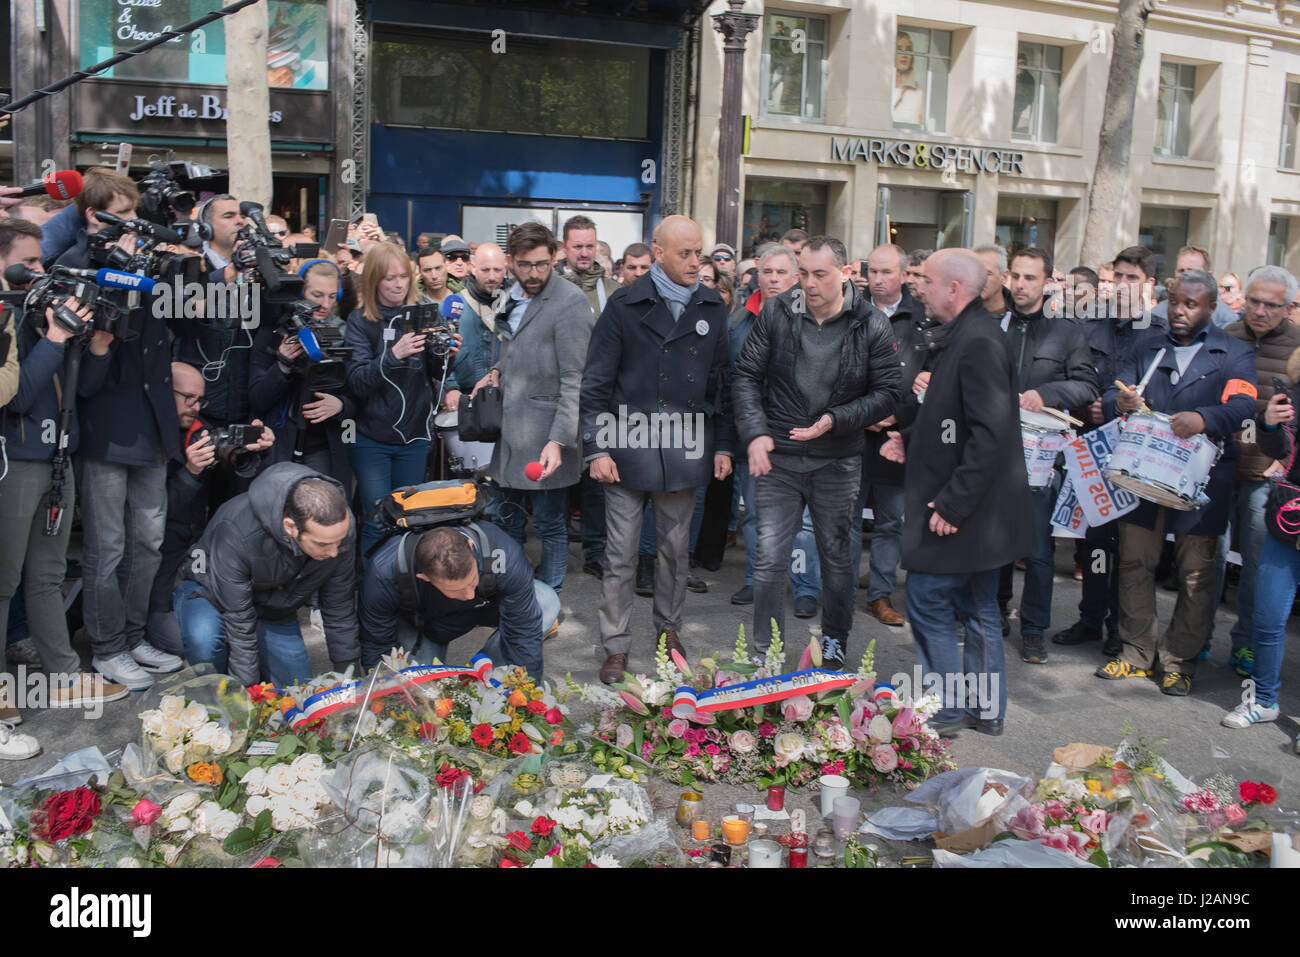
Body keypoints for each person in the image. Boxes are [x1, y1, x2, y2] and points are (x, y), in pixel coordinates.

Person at [881, 249, 1036, 736]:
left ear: (954, 288)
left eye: (925, 280)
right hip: (976, 508)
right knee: (977, 604)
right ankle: (986, 708)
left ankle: (946, 707)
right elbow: (956, 420)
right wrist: (911, 438)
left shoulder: (978, 341)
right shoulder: (966, 334)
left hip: (968, 509)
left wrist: (953, 503)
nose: (918, 287)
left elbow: (991, 433)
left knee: (927, 595)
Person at [734, 235, 901, 669]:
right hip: (780, 455)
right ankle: (765, 654)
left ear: (846, 274)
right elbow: (746, 375)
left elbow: (887, 394)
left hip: (838, 457)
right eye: (803, 272)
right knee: (770, 559)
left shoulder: (871, 323)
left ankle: (834, 643)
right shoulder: (777, 311)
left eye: (819, 274)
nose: (807, 284)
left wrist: (835, 419)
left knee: (837, 556)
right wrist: (755, 432)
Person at [582, 215, 734, 682]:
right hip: (627, 447)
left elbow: (722, 384)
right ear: (659, 251)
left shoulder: (711, 306)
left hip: (685, 447)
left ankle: (669, 632)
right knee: (621, 555)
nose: (695, 262)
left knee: (674, 553)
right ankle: (616, 645)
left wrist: (724, 445)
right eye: (685, 253)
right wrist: (595, 448)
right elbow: (595, 383)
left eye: (698, 253)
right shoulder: (624, 305)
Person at [1097, 269, 1257, 696]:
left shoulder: (1234, 353)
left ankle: (1178, 662)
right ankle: (1134, 653)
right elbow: (1113, 399)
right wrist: (1121, 402)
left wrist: (1205, 419)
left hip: (1202, 480)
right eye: (1174, 303)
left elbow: (1244, 407)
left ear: (1210, 308)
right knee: (1134, 563)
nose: (1180, 311)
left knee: (1195, 575)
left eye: (1191, 304)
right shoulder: (1147, 345)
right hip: (1143, 474)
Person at [0, 218, 129, 738]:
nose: (39, 272)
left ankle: (63, 675)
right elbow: (20, 397)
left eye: (41, 262)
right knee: (3, 581)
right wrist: (53, 336)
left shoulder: (40, 307)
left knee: (49, 574)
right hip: (17, 459)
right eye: (28, 264)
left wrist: (93, 345)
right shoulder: (8, 316)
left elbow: (83, 390)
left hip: (58, 456)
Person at [59, 171, 188, 691]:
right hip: (105, 428)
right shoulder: (74, 266)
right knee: (107, 546)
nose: (135, 225)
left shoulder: (146, 265)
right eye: (124, 215)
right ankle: (107, 648)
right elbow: (80, 372)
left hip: (154, 425)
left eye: (136, 215)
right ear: (95, 216)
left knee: (149, 543)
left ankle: (134, 638)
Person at [1053, 247, 1169, 656]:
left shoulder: (1160, 333)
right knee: (1094, 540)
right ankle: (1090, 617)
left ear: (1149, 285)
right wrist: (1090, 400)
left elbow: (1165, 395)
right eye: (1116, 276)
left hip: (1138, 454)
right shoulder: (1088, 326)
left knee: (1130, 547)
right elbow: (1072, 377)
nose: (1121, 285)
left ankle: (1121, 626)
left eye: (1132, 278)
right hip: (1091, 447)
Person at [995, 247, 1099, 663]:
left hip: (1041, 458)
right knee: (995, 542)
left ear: (1047, 282)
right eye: (1015, 276)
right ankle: (994, 612)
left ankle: (1034, 629)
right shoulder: (993, 324)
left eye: (1029, 278)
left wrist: (1046, 394)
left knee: (1037, 550)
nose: (1020, 285)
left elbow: (1088, 385)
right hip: (995, 452)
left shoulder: (1067, 331)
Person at [481, 222, 593, 592]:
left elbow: (575, 379)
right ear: (511, 261)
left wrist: (558, 440)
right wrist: (496, 372)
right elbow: (511, 346)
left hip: (546, 435)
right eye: (526, 265)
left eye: (542, 264)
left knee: (548, 524)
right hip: (510, 431)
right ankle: (515, 593)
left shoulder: (571, 302)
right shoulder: (512, 294)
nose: (534, 274)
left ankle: (550, 597)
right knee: (507, 518)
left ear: (555, 256)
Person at [177, 464, 359, 686]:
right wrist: (246, 695)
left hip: (274, 604)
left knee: (297, 692)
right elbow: (239, 620)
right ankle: (215, 694)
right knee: (204, 640)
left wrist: (350, 676)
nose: (334, 552)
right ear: (290, 527)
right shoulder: (237, 531)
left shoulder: (338, 530)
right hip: (211, 591)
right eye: (323, 544)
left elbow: (339, 605)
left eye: (338, 542)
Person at [147, 363, 275, 657]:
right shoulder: (147, 435)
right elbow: (154, 517)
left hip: (199, 557)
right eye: (187, 398)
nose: (195, 407)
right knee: (184, 645)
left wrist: (256, 452)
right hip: (158, 568)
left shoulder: (202, 433)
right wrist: (189, 472)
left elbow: (234, 498)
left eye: (200, 400)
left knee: (233, 639)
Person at [344, 242, 459, 556]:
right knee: (377, 520)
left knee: (407, 520)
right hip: (371, 438)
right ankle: (371, 597)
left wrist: (444, 353)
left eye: (402, 277)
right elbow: (356, 382)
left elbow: (435, 374)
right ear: (374, 282)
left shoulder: (425, 312)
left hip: (414, 437)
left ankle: (398, 588)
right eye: (389, 278)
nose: (397, 284)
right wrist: (393, 355)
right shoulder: (360, 321)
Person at [1213, 265, 1300, 675]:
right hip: (1217, 467)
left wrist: (1286, 458)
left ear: (1289, 308)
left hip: (1267, 476)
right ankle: (1196, 643)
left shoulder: (1299, 349)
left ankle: (1245, 645)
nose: (1260, 311)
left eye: (1272, 305)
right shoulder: (1223, 338)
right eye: (1254, 301)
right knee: (1205, 563)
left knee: (1254, 567)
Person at [727, 245, 819, 610]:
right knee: (755, 514)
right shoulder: (739, 319)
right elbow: (732, 376)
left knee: (803, 518)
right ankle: (756, 579)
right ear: (757, 276)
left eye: (782, 272)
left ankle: (804, 587)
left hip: (799, 435)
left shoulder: (814, 317)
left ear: (796, 278)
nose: (775, 279)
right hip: (753, 435)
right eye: (768, 272)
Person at [360, 522, 559, 679]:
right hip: (425, 622)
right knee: (421, 693)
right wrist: (384, 695)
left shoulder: (503, 551)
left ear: (471, 548)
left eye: (472, 580)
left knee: (545, 601)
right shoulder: (384, 573)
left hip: (487, 606)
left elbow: (523, 629)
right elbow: (377, 644)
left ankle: (483, 672)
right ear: (425, 577)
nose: (468, 595)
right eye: (455, 590)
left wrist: (529, 688)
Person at [854, 243, 928, 627]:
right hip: (851, 435)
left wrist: (895, 417)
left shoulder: (921, 319)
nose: (877, 280)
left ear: (903, 274)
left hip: (897, 439)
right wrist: (860, 416)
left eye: (886, 273)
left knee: (889, 522)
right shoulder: (850, 312)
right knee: (844, 519)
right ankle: (842, 589)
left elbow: (930, 384)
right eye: (873, 272)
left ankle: (879, 595)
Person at [1221, 385, 1297, 741]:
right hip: (1290, 519)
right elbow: (1283, 450)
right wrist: (1267, 425)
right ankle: (1264, 699)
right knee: (1267, 617)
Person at [249, 260, 356, 489]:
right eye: (317, 295)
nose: (324, 304)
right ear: (300, 292)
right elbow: (257, 398)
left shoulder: (345, 333)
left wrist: (340, 405)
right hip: (279, 443)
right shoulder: (273, 333)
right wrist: (282, 365)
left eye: (331, 296)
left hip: (325, 445)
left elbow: (359, 395)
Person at [451, 242, 509, 401]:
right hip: (464, 397)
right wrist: (450, 388)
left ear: (505, 269)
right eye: (485, 270)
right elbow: (439, 355)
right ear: (473, 268)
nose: (492, 276)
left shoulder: (514, 305)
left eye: (497, 270)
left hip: (504, 395)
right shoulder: (454, 305)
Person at [1150, 246, 1239, 329]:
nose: (1185, 276)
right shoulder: (1157, 314)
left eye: (1192, 271)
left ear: (1209, 275)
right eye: (1181, 271)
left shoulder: (1227, 318)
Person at [561, 215, 621, 321]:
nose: (584, 253)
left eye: (590, 246)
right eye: (578, 247)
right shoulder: (549, 287)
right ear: (564, 248)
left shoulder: (614, 292)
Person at [973, 244, 1011, 320]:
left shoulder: (1022, 316)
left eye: (987, 273)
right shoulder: (955, 315)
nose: (978, 279)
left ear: (1004, 277)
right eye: (973, 273)